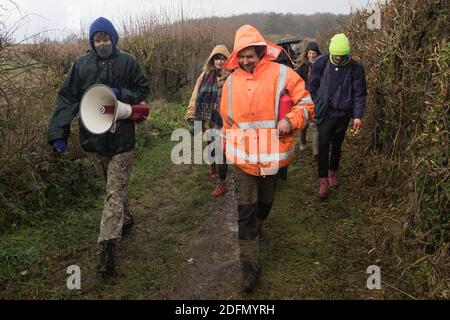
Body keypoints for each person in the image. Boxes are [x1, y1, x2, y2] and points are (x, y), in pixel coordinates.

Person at [47, 17, 150, 275]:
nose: (102, 42)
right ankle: (125, 219)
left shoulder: (128, 61)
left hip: (122, 140)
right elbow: (67, 98)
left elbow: (142, 88)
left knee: (114, 191)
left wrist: (120, 93)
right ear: (91, 40)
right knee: (111, 189)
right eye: (97, 38)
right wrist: (57, 133)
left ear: (113, 38)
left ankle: (107, 249)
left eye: (106, 37)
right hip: (93, 140)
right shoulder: (81, 65)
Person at [220, 25, 314, 292]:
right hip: (243, 161)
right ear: (236, 56)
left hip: (271, 157)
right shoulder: (229, 83)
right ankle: (249, 265)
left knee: (266, 202)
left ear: (260, 52)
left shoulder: (283, 74)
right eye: (242, 56)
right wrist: (229, 147)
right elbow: (226, 120)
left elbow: (306, 105)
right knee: (246, 211)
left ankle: (259, 227)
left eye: (251, 55)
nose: (246, 61)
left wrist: (290, 120)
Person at [308, 33, 367, 198]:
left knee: (337, 145)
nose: (339, 59)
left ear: (347, 53)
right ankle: (323, 180)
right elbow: (312, 85)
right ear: (330, 52)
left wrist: (357, 116)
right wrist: (316, 103)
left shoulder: (356, 68)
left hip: (344, 113)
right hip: (325, 112)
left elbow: (360, 93)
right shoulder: (321, 63)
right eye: (336, 56)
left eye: (342, 56)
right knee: (323, 144)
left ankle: (332, 171)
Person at [185, 45, 231, 197]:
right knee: (210, 144)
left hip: (224, 119)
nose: (219, 61)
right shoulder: (205, 75)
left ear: (228, 59)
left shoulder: (232, 75)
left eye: (222, 58)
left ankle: (222, 182)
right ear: (212, 60)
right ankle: (213, 166)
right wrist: (192, 113)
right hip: (207, 118)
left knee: (221, 151)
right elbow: (195, 95)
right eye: (216, 58)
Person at [295, 41, 322, 158]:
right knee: (304, 123)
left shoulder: (322, 65)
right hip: (304, 98)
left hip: (318, 98)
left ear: (317, 53)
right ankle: (302, 142)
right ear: (307, 54)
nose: (312, 55)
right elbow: (296, 81)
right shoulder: (302, 67)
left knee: (316, 125)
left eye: (314, 53)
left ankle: (316, 152)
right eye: (310, 53)